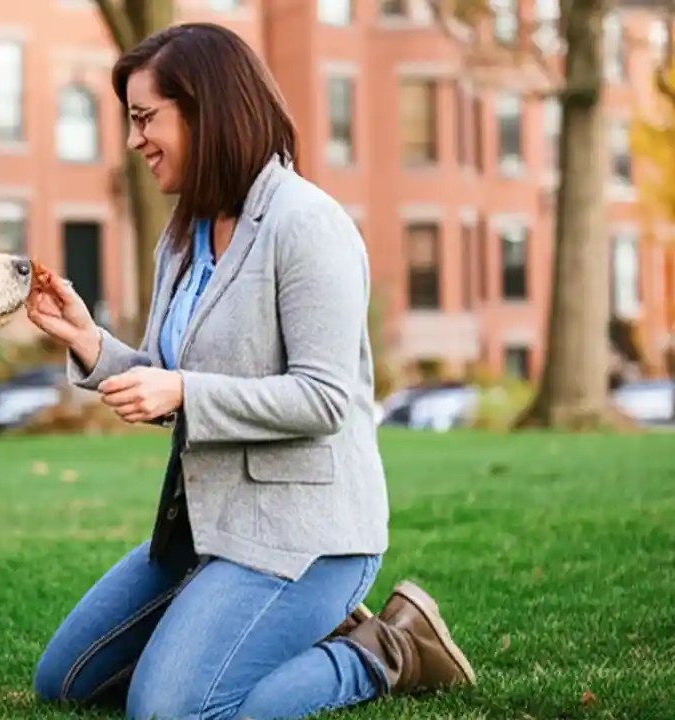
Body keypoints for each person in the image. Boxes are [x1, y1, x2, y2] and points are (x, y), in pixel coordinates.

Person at [25, 22, 476, 720]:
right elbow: (169, 375)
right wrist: (88, 341)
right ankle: (220, 638)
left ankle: (384, 650)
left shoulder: (307, 225)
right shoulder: (180, 237)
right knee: (66, 680)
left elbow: (326, 397)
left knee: (169, 712)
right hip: (206, 531)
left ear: (207, 110)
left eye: (146, 118)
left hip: (310, 537)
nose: (133, 139)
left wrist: (180, 390)